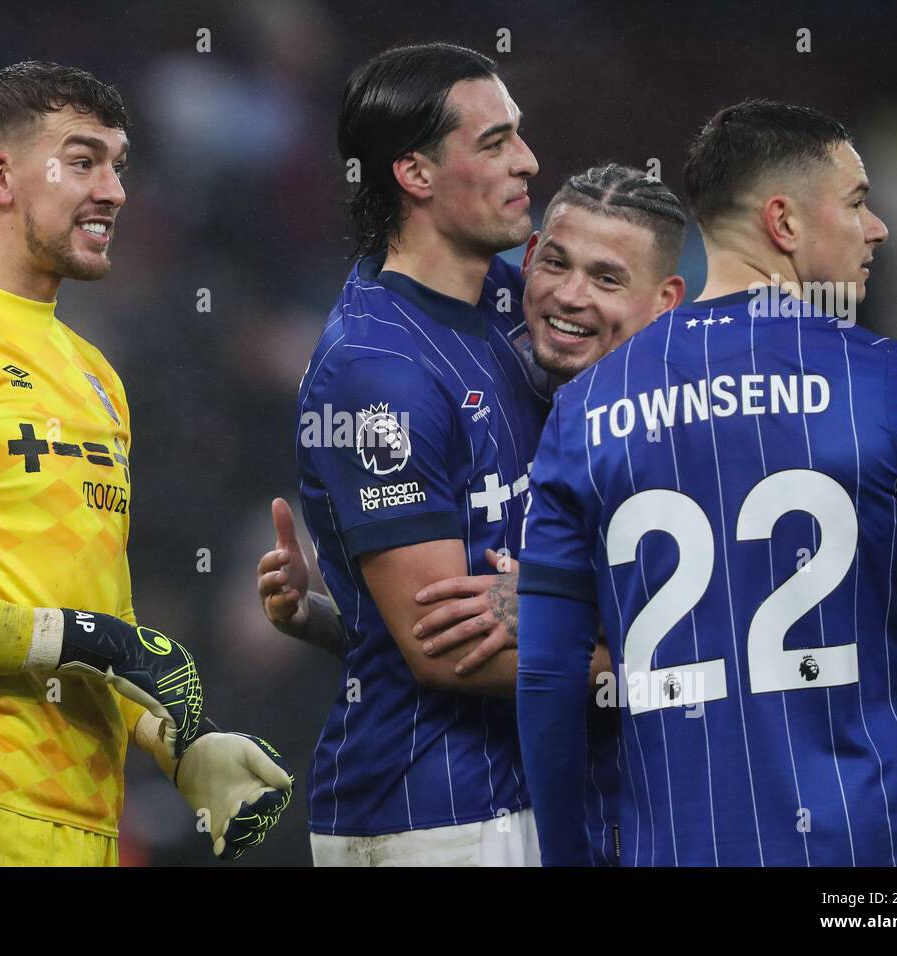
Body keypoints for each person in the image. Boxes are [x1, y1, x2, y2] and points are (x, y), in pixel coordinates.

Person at [0, 61, 291, 866]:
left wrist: (177, 746)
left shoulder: (96, 374)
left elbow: (90, 614)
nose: (114, 190)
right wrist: (92, 638)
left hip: (88, 822)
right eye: (83, 161)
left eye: (118, 165)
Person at [517, 99, 897, 867]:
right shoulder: (889, 383)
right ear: (783, 223)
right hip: (879, 862)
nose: (876, 228)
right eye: (856, 202)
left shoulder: (583, 414)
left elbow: (546, 679)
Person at [268, 42, 686, 866]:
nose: (527, 161)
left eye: (519, 135)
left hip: (538, 791)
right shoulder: (375, 372)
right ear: (416, 174)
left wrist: (332, 615)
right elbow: (447, 648)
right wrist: (668, 660)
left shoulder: (515, 298)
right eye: (494, 143)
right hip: (433, 816)